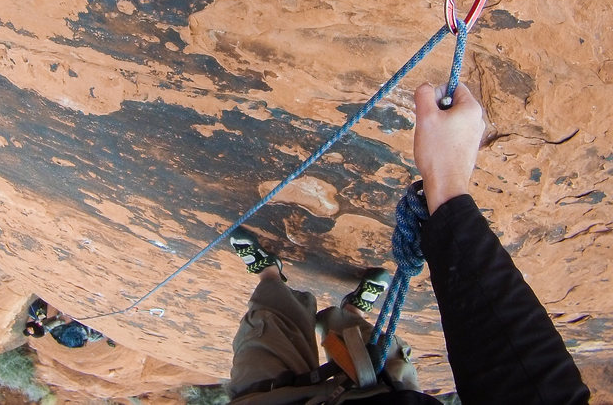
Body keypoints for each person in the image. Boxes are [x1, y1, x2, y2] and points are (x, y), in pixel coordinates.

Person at [227, 83, 590, 404]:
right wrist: (447, 189)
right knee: (364, 342)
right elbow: (529, 385)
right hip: (384, 392)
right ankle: (351, 313)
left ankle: (269, 275)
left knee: (268, 324)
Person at [23, 298, 113, 348]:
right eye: (30, 331)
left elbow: (37, 323)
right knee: (57, 322)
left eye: (29, 329)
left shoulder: (31, 325)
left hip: (47, 326)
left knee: (52, 319)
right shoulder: (37, 334)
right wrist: (42, 324)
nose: (30, 329)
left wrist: (38, 322)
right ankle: (60, 319)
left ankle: (59, 317)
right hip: (47, 328)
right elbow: (45, 327)